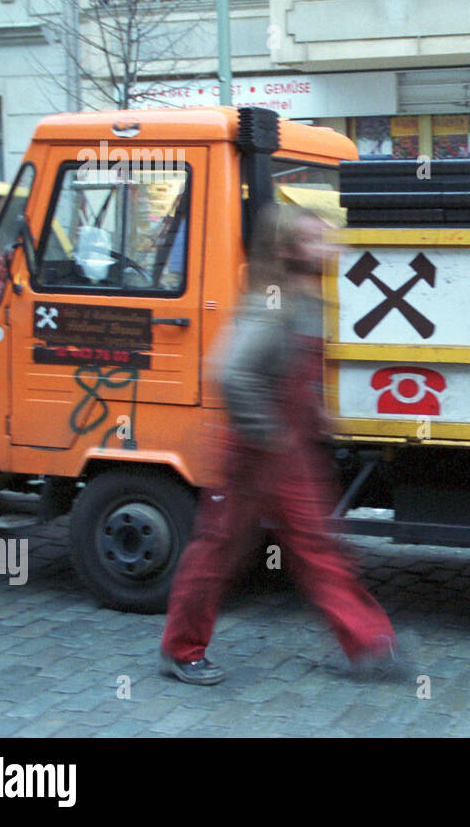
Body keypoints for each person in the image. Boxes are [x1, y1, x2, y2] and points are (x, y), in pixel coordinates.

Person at [160, 203, 397, 685]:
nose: (329, 246)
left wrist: (315, 415)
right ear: (288, 251)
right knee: (218, 550)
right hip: (250, 449)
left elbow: (291, 373)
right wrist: (272, 434)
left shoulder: (306, 300)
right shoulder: (271, 303)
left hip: (285, 450)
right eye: (315, 240)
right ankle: (181, 649)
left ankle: (369, 642)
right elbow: (230, 374)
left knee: (316, 544)